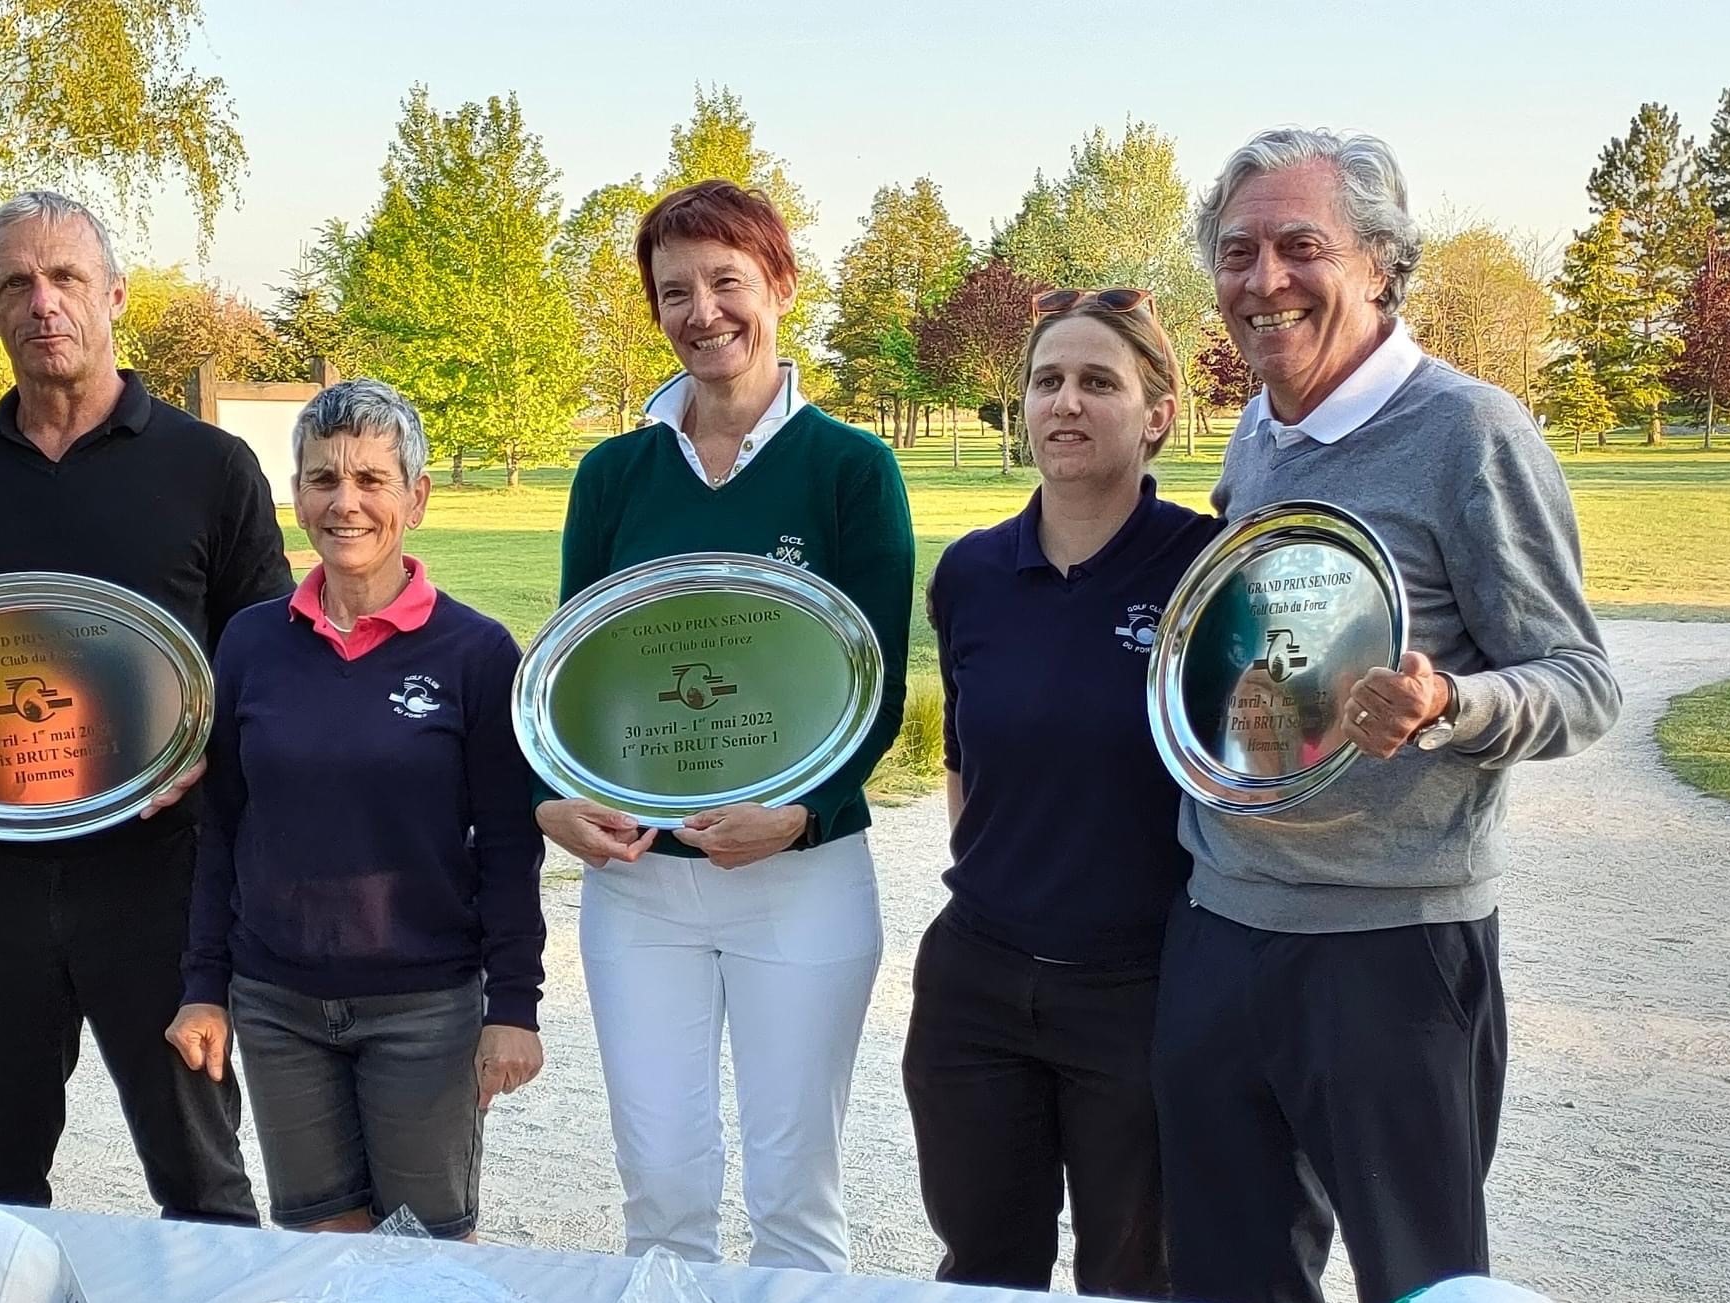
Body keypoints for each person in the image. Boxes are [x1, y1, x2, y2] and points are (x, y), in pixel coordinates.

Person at [1154, 128, 1622, 1303]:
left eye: (1298, 246)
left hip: (1392, 946)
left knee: (1419, 1286)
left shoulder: (1469, 433)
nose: (1263, 281)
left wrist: (1450, 703)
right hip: (1221, 924)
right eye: (1236, 251)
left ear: (1378, 263)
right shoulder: (1258, 431)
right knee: (1226, 1278)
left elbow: (1578, 678)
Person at [0, 191, 288, 1222]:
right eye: (15, 285)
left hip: (160, 874)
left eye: (66, 278)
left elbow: (263, 668)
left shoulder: (209, 467)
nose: (44, 303)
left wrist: (211, 757)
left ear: (113, 294)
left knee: (201, 1174)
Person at [534, 179, 914, 1272]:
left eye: (725, 282)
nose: (702, 311)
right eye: (674, 291)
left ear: (780, 286)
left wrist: (799, 818)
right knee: (661, 1190)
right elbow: (570, 677)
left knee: (795, 1192)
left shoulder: (850, 468)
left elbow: (874, 687)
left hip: (797, 878)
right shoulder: (613, 472)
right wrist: (550, 801)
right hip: (641, 885)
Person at [165, 379, 546, 1238]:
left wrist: (513, 1006)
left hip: (423, 1007)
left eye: (372, 480)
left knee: (427, 1263)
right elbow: (223, 825)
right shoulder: (251, 642)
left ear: (416, 496)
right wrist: (206, 987)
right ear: (294, 492)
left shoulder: (477, 652)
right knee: (321, 1254)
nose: (346, 502)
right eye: (322, 478)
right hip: (277, 1003)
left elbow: (510, 844)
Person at [905, 288, 1220, 1296]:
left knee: (1136, 1277)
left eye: (1098, 382)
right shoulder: (970, 573)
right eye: (1047, 381)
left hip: (1140, 986)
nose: (1066, 404)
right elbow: (963, 755)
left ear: (1157, 411)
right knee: (984, 1269)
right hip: (977, 986)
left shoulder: (1207, 569)